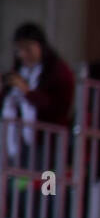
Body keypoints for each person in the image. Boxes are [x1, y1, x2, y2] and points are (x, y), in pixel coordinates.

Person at [3, 22, 76, 163]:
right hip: (17, 140)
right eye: (19, 50)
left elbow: (57, 107)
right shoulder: (19, 70)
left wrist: (27, 92)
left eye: (28, 49)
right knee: (19, 181)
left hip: (47, 141)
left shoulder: (58, 71)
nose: (23, 55)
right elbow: (9, 100)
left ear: (40, 46)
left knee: (46, 182)